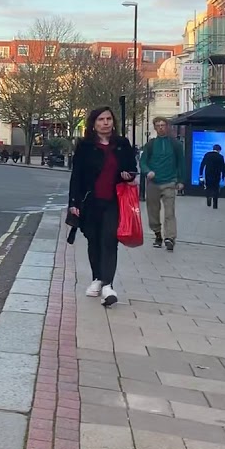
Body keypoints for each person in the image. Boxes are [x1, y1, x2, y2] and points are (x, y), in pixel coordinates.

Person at [68, 106, 138, 307]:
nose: (105, 123)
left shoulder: (122, 144)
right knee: (94, 240)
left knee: (109, 240)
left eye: (108, 119)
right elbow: (77, 176)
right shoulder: (85, 146)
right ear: (94, 123)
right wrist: (73, 203)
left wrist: (129, 175)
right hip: (90, 201)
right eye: (101, 119)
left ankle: (108, 286)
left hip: (114, 201)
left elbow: (131, 169)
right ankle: (97, 278)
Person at [140, 117, 184, 252]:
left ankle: (170, 238)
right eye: (158, 125)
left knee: (169, 212)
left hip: (169, 182)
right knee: (153, 211)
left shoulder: (175, 144)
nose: (160, 128)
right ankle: (157, 234)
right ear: (154, 128)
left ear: (167, 126)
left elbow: (181, 163)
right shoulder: (150, 145)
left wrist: (181, 180)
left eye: (163, 125)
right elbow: (143, 162)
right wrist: (147, 172)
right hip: (153, 183)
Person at [199, 144, 225, 209]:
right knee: (216, 188)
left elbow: (202, 164)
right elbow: (223, 167)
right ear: (219, 150)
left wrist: (201, 174)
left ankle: (208, 197)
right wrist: (223, 175)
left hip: (208, 173)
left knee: (208, 187)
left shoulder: (207, 155)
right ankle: (215, 204)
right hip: (217, 174)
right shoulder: (220, 157)